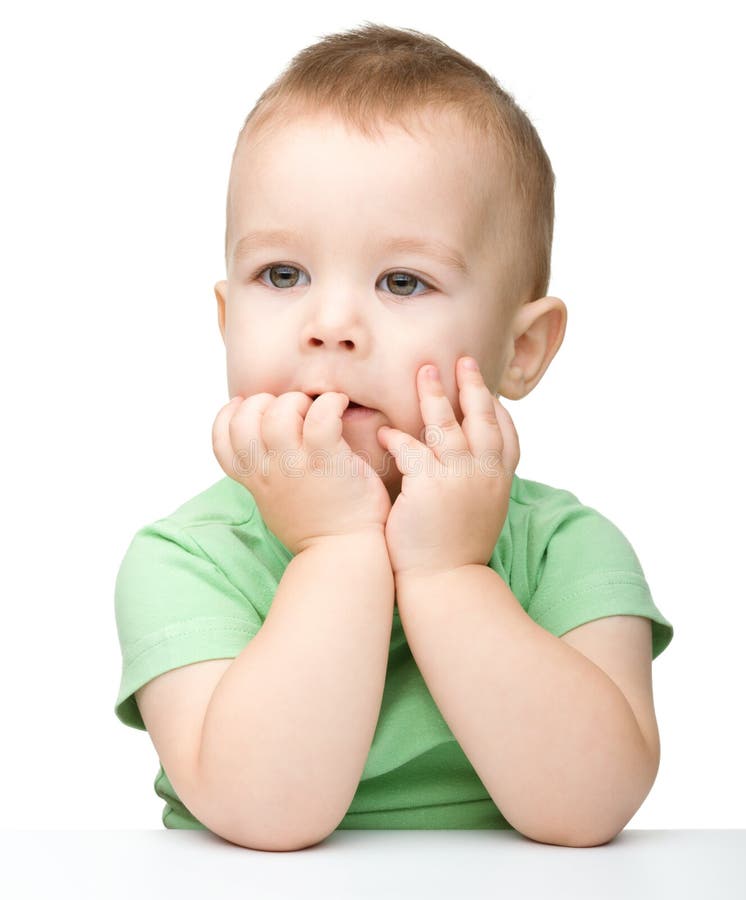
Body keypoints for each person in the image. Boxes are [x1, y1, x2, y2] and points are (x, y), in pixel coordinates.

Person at [114, 22, 674, 851]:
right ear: (227, 321)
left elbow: (590, 812)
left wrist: (450, 573)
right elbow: (263, 813)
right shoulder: (184, 560)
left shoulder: (567, 551)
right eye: (283, 274)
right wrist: (335, 547)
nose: (331, 325)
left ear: (521, 350)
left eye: (402, 281)